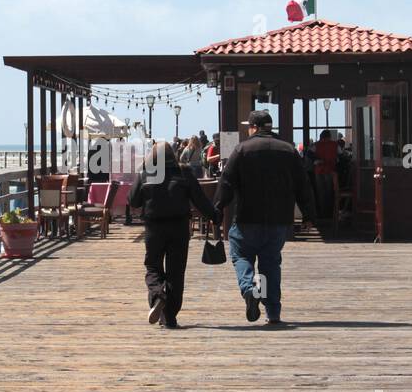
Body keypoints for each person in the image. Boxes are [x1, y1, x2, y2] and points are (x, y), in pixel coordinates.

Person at [213, 110, 316, 325]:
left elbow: (227, 182)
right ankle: (273, 312)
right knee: (270, 264)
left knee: (241, 256)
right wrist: (308, 214)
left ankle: (250, 289)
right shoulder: (288, 150)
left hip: (246, 218)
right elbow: (303, 185)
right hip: (279, 220)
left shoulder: (242, 149)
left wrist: (217, 208)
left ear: (253, 127)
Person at [128, 141, 220, 328]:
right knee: (176, 272)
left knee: (153, 267)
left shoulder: (147, 172)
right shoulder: (184, 172)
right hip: (179, 227)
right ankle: (169, 317)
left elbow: (133, 201)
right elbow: (199, 199)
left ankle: (157, 296)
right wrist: (215, 216)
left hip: (154, 228)